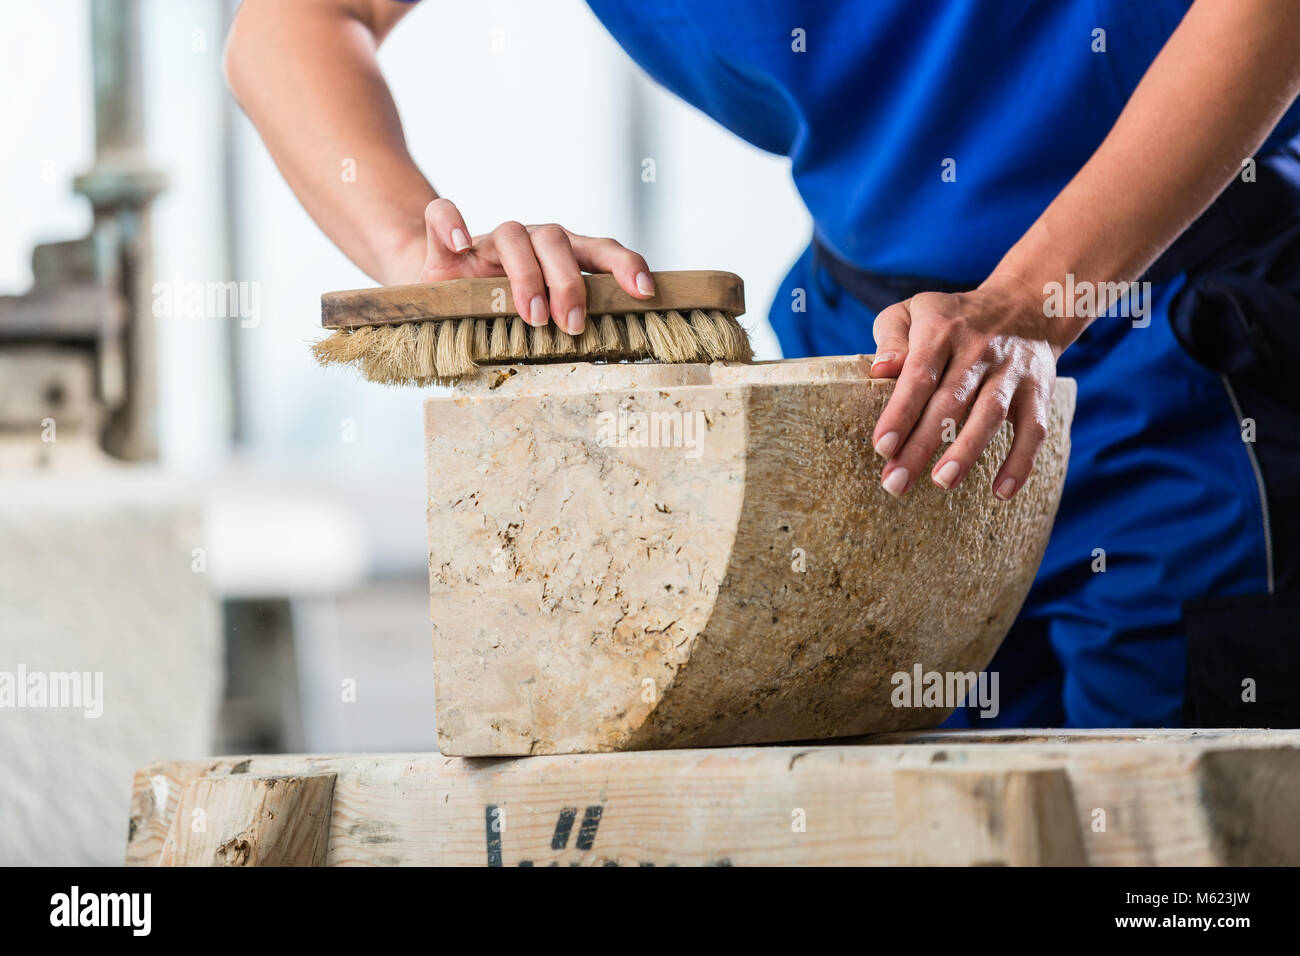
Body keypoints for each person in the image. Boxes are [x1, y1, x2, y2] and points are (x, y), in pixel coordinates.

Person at [225, 0, 1300, 728]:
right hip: (874, 373)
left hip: (1185, 339)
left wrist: (1030, 299)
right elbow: (292, 25)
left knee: (1184, 857)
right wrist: (422, 250)